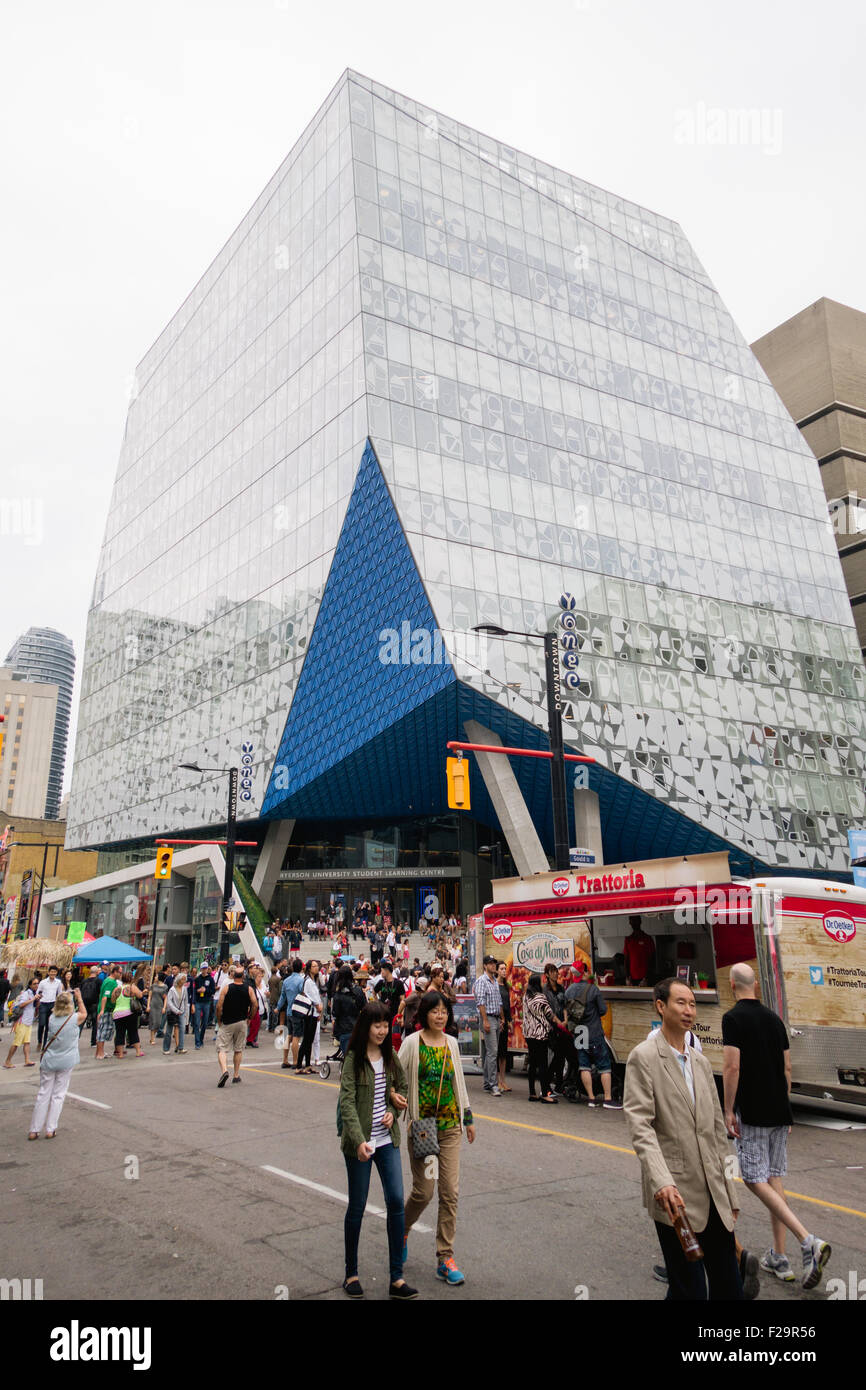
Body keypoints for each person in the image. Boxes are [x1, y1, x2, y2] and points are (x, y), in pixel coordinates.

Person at [624, 978, 743, 1300]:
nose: (689, 1010)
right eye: (681, 1003)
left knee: (730, 1287)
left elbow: (718, 1132)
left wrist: (730, 1194)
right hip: (675, 1195)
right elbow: (641, 1125)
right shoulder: (643, 1057)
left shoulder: (701, 1063)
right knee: (689, 1290)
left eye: (692, 1003)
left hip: (714, 1193)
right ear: (660, 1006)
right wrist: (662, 1181)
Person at [722, 962, 831, 1290]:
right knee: (773, 1177)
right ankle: (779, 1257)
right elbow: (786, 1067)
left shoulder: (732, 1018)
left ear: (731, 985)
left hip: (753, 1112)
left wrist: (729, 1110)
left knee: (754, 1180)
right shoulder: (774, 1019)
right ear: (755, 985)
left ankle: (806, 1239)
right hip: (778, 1111)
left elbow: (731, 1066)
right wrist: (784, 1106)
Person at [338, 1001, 416, 1298]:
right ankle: (351, 1274)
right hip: (360, 1144)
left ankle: (397, 1278)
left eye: (386, 1025)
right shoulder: (354, 1059)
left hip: (386, 1140)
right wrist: (358, 1140)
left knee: (396, 1201)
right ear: (366, 1027)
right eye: (378, 1025)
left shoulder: (390, 1056)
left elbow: (403, 1089)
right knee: (357, 1206)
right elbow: (346, 1102)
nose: (383, 1031)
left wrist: (393, 1112)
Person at [400, 991, 475, 1286]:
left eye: (444, 1011)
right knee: (424, 1192)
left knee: (450, 1193)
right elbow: (395, 1074)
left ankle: (445, 1258)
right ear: (424, 1014)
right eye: (435, 1011)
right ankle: (401, 1230)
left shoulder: (451, 1044)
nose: (440, 1015)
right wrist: (396, 1102)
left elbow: (459, 1083)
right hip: (423, 1130)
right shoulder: (412, 1043)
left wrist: (467, 1118)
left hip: (450, 1128)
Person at [28, 988, 87, 1139]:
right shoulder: (75, 1018)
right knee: (58, 1095)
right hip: (66, 1060)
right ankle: (50, 1128)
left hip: (50, 1059)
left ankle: (34, 1129)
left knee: (43, 1094)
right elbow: (84, 1013)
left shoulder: (52, 1018)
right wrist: (79, 998)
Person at [565, 965, 620, 1108]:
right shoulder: (593, 989)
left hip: (578, 1032)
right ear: (583, 973)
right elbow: (602, 1010)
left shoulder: (569, 990)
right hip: (594, 1031)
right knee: (604, 1066)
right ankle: (607, 1099)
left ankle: (591, 1098)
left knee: (584, 1066)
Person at [521, 972, 562, 1102]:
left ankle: (532, 1093)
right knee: (543, 1064)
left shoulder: (526, 997)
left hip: (529, 1034)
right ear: (538, 983)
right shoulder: (541, 997)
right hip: (540, 1034)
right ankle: (545, 1094)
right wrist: (561, 1024)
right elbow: (550, 1014)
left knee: (532, 1063)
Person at [216, 964, 256, 1086]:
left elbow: (219, 1006)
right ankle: (236, 1074)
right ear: (243, 976)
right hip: (242, 1021)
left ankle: (224, 1070)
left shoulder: (226, 988)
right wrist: (250, 1017)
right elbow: (255, 1004)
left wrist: (219, 1020)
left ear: (233, 976)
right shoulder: (249, 989)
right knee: (238, 1049)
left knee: (222, 1048)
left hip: (227, 1021)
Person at [473, 954, 502, 1097]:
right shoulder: (481, 981)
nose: (493, 965)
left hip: (495, 1017)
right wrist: (484, 1020)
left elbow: (499, 1002)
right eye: (490, 963)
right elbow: (480, 1002)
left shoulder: (494, 981)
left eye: (494, 963)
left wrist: (501, 1019)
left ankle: (487, 1083)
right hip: (488, 1017)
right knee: (492, 1052)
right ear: (485, 965)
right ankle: (493, 1084)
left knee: (489, 1052)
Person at [542, 962, 571, 1096]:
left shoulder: (561, 988)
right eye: (552, 971)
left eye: (556, 971)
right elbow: (547, 1010)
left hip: (562, 1026)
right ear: (547, 974)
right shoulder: (544, 990)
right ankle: (546, 1085)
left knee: (562, 1055)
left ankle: (559, 1085)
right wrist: (558, 1022)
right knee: (553, 1057)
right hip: (551, 1027)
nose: (555, 973)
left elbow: (564, 1005)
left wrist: (565, 1020)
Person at [294, 960, 323, 1074]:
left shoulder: (311, 980)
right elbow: (311, 997)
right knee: (307, 1040)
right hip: (310, 1013)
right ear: (309, 968)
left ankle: (307, 1065)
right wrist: (318, 1005)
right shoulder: (308, 981)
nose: (316, 968)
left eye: (317, 966)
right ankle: (299, 1065)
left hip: (314, 1013)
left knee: (309, 1040)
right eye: (314, 966)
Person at [331, 966, 366, 1059]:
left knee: (349, 1058)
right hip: (358, 1027)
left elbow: (335, 1013)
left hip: (344, 1029)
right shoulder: (358, 990)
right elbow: (365, 1007)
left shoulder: (338, 994)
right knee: (358, 1056)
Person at [3, 976, 38, 1067]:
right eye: (34, 983)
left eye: (37, 983)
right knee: (16, 1043)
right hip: (22, 1021)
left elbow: (35, 1006)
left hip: (29, 1021)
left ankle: (27, 1060)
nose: (36, 985)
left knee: (27, 1042)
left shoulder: (35, 994)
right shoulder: (26, 993)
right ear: (30, 985)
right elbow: (21, 1004)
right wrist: (33, 999)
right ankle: (8, 1061)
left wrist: (37, 1000)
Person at [278, 958, 306, 1069]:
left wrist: (278, 1007)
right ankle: (295, 1061)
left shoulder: (286, 981)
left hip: (289, 1010)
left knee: (289, 1035)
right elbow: (304, 994)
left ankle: (285, 1060)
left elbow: (282, 997)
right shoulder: (301, 981)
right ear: (301, 968)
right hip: (298, 1011)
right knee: (296, 1036)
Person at [112, 972, 145, 1059]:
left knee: (120, 1033)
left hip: (117, 1014)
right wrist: (143, 992)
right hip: (129, 1013)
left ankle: (120, 1054)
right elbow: (140, 995)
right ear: (131, 979)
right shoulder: (131, 987)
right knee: (133, 1032)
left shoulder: (117, 989)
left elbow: (112, 1000)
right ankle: (138, 1052)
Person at [95, 965, 122, 1060]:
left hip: (107, 1009)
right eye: (119, 972)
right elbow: (105, 997)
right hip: (106, 1010)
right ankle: (100, 1053)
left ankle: (99, 1052)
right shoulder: (110, 982)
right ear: (114, 972)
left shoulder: (110, 981)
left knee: (103, 1031)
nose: (120, 974)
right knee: (103, 1031)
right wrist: (102, 1010)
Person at [35, 965, 63, 1049]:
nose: (53, 973)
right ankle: (39, 1041)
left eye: (54, 972)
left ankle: (45, 1044)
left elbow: (59, 994)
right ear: (48, 972)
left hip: (52, 1004)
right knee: (41, 1024)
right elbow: (38, 992)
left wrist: (57, 1005)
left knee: (48, 1025)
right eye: (51, 971)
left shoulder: (58, 982)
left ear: (56, 973)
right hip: (43, 1004)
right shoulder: (43, 982)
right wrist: (38, 999)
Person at [623, 915, 655, 986]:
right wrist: (627, 978)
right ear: (630, 923)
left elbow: (652, 960)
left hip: (645, 979)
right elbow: (626, 960)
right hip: (632, 979)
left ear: (640, 921)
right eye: (632, 921)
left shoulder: (647, 939)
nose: (634, 923)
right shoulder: (628, 940)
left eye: (635, 920)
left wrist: (646, 978)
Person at [162, 973, 190, 1053]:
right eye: (182, 979)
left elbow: (185, 1001)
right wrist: (176, 1010)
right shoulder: (172, 989)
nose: (184, 981)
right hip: (172, 1012)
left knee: (182, 1029)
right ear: (178, 979)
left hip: (181, 1012)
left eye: (185, 979)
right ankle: (166, 1049)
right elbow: (169, 1002)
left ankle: (180, 1047)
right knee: (169, 1030)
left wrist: (185, 1012)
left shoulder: (184, 989)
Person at [496, 960, 512, 1093]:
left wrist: (509, 1020)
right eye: (501, 969)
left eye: (505, 969)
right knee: (496, 1051)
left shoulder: (506, 986)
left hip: (505, 1020)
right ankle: (496, 1081)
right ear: (496, 971)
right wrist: (501, 1019)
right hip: (497, 1020)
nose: (504, 971)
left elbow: (508, 1004)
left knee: (503, 1053)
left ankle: (503, 1080)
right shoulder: (495, 985)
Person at [79, 966, 102, 1046]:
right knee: (95, 1023)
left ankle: (76, 1038)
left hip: (84, 1003)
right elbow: (100, 993)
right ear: (97, 972)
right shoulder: (99, 981)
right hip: (94, 1003)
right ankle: (93, 1041)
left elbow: (80, 991)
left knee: (81, 1022)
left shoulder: (84, 981)